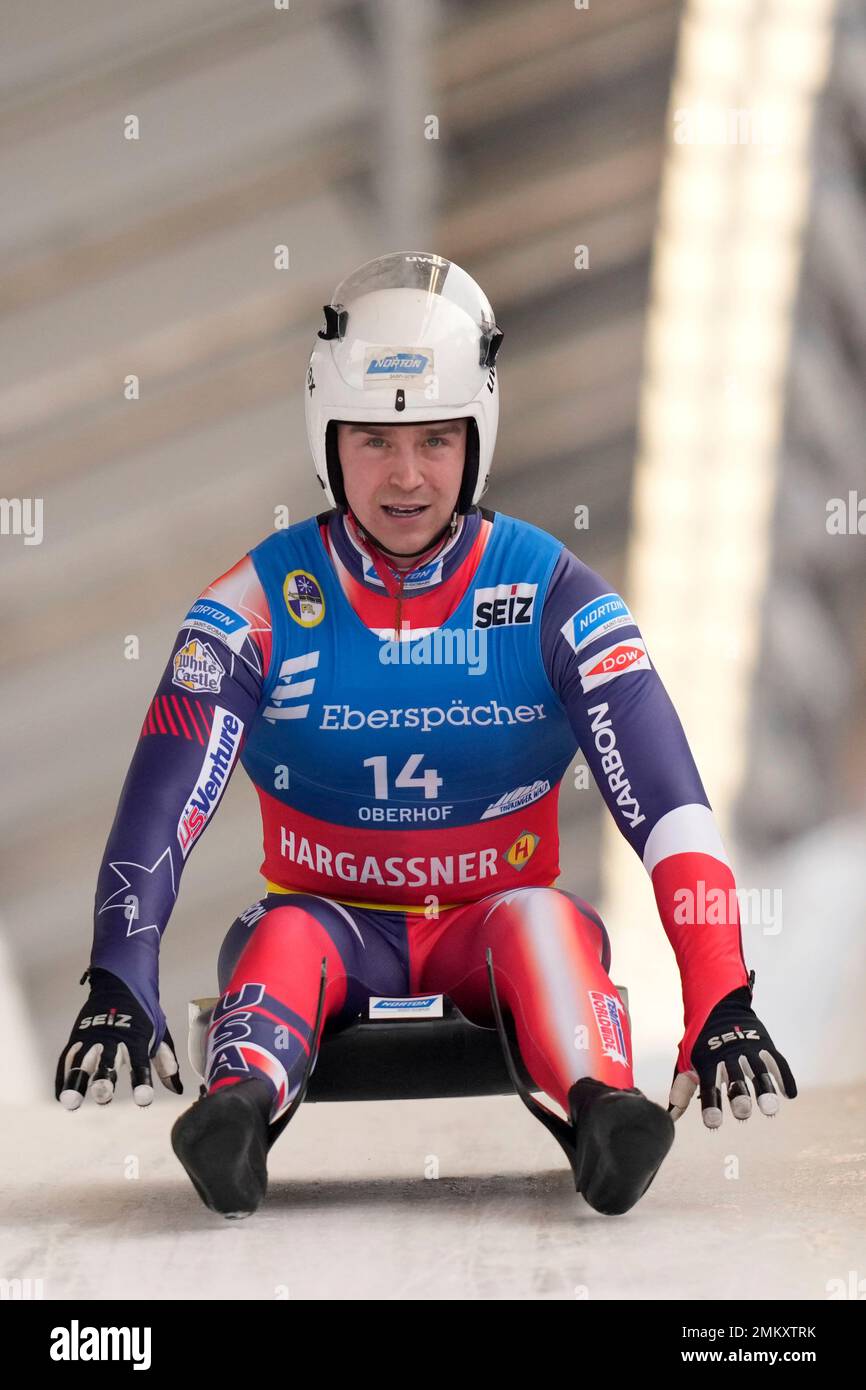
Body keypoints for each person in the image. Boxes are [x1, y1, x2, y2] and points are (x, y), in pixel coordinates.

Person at [55, 252, 797, 1219]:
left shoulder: (556, 596)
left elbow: (669, 807)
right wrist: (120, 974)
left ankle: (605, 1110)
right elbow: (162, 804)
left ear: (477, 441)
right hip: (326, 925)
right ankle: (235, 1114)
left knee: (542, 922)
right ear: (327, 444)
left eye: (436, 441)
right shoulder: (252, 603)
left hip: (491, 925)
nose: (406, 478)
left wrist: (721, 995)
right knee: (281, 935)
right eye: (373, 441)